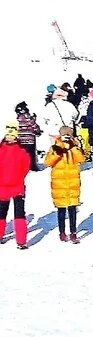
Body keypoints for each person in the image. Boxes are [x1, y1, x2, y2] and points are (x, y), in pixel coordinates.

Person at [45, 127, 86, 243]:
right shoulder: (55, 147)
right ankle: (62, 232)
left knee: (72, 209)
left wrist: (75, 147)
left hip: (72, 183)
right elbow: (47, 162)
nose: (66, 138)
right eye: (64, 135)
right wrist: (57, 150)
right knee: (61, 210)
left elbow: (82, 159)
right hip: (59, 183)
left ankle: (73, 232)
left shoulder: (74, 147)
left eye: (68, 135)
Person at [0, 120, 32, 250]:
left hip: (17, 186)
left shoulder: (22, 151)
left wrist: (18, 177)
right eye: (8, 135)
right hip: (2, 186)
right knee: (1, 212)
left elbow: (26, 167)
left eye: (12, 135)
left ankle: (21, 241)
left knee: (19, 213)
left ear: (16, 136)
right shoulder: (1, 150)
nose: (10, 138)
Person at [15, 101, 42, 172]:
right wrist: (38, 131)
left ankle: (22, 166)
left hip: (21, 140)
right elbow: (34, 126)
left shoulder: (18, 118)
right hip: (30, 140)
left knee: (23, 154)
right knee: (31, 154)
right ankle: (32, 166)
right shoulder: (28, 117)